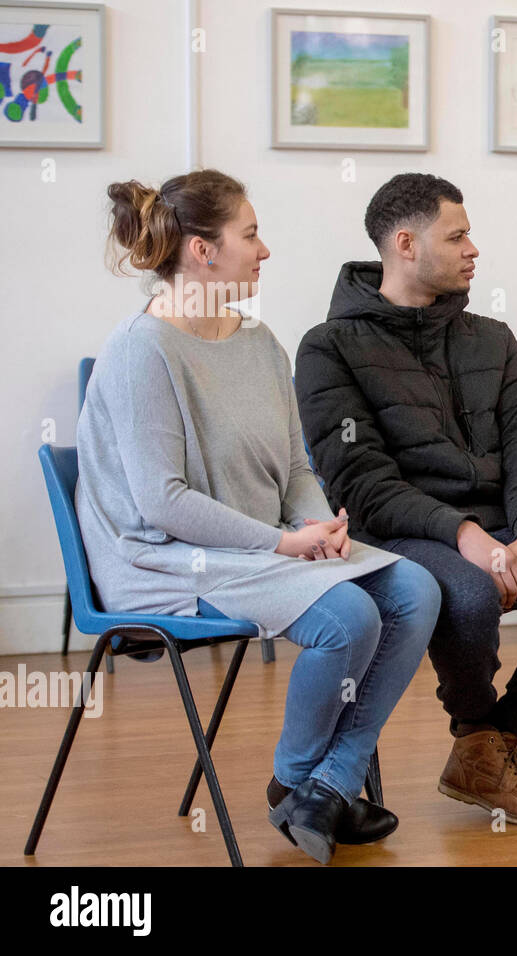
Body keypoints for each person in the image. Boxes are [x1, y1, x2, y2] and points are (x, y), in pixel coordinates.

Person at [78, 170, 441, 864]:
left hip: (262, 549)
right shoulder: (141, 351)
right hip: (162, 557)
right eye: (250, 235)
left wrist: (321, 532)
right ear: (201, 251)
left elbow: (297, 469)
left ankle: (324, 787)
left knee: (417, 591)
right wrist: (285, 542)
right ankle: (301, 782)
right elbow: (163, 503)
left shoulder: (261, 343)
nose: (265, 250)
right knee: (347, 619)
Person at [294, 173, 517, 828]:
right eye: (457, 235)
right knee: (465, 591)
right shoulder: (329, 349)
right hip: (407, 534)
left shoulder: (491, 338)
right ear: (405, 244)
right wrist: (466, 534)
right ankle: (481, 733)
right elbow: (361, 487)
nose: (474, 249)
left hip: (508, 528)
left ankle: (490, 738)